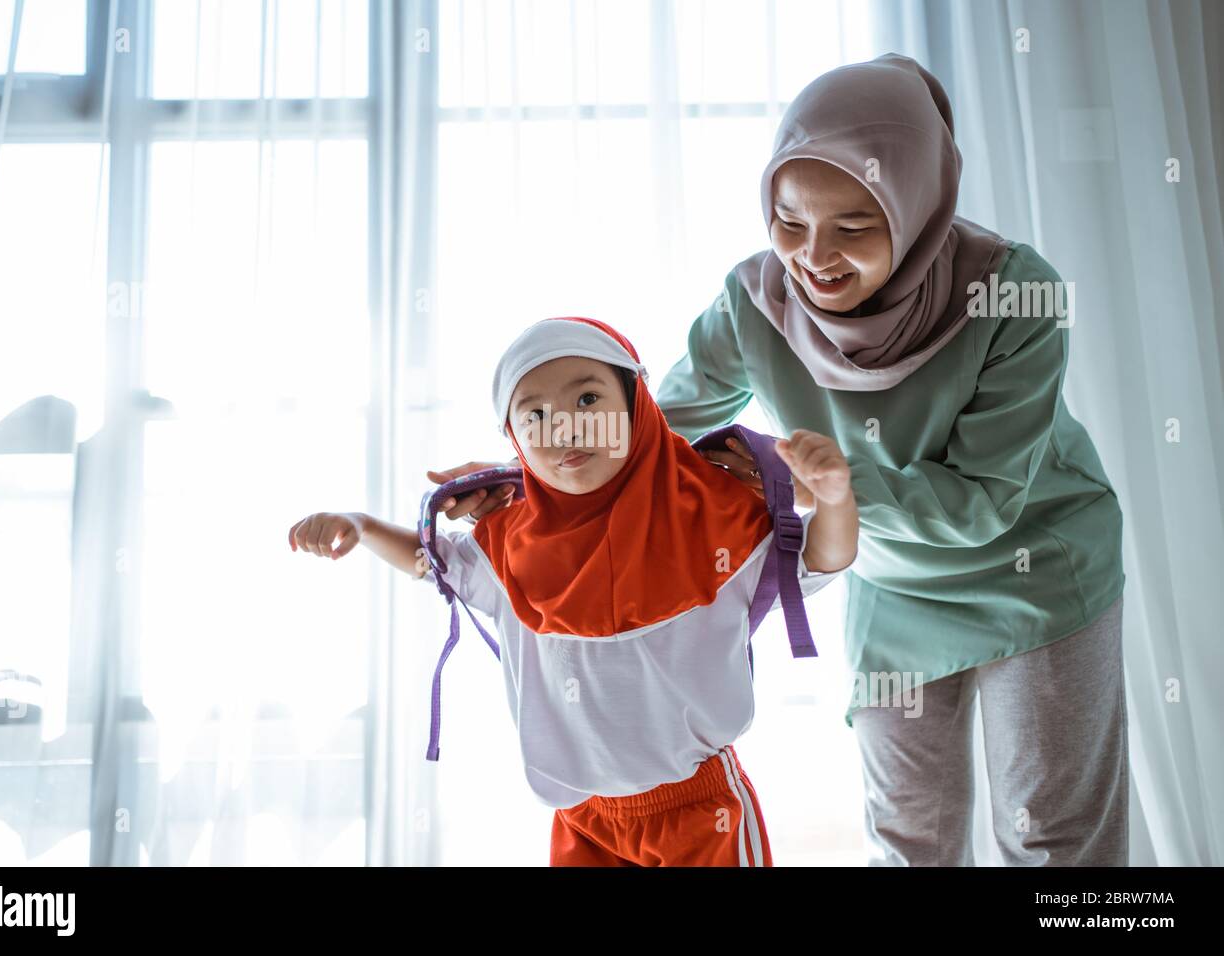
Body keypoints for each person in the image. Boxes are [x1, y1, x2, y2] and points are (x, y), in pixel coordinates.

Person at [432, 55, 1128, 867]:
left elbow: (982, 504)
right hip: (894, 589)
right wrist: (525, 485)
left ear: (915, 205)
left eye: (854, 227)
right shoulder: (754, 303)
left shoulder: (1011, 297)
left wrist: (822, 481)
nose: (812, 257)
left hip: (1034, 575)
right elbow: (655, 433)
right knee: (911, 836)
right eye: (789, 223)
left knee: (1049, 834)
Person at [290, 316, 859, 865]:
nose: (562, 427)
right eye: (534, 415)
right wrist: (362, 527)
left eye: (588, 400)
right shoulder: (507, 543)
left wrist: (834, 497)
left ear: (636, 406)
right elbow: (429, 560)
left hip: (699, 814)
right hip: (581, 819)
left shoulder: (713, 520)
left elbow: (818, 559)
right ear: (516, 439)